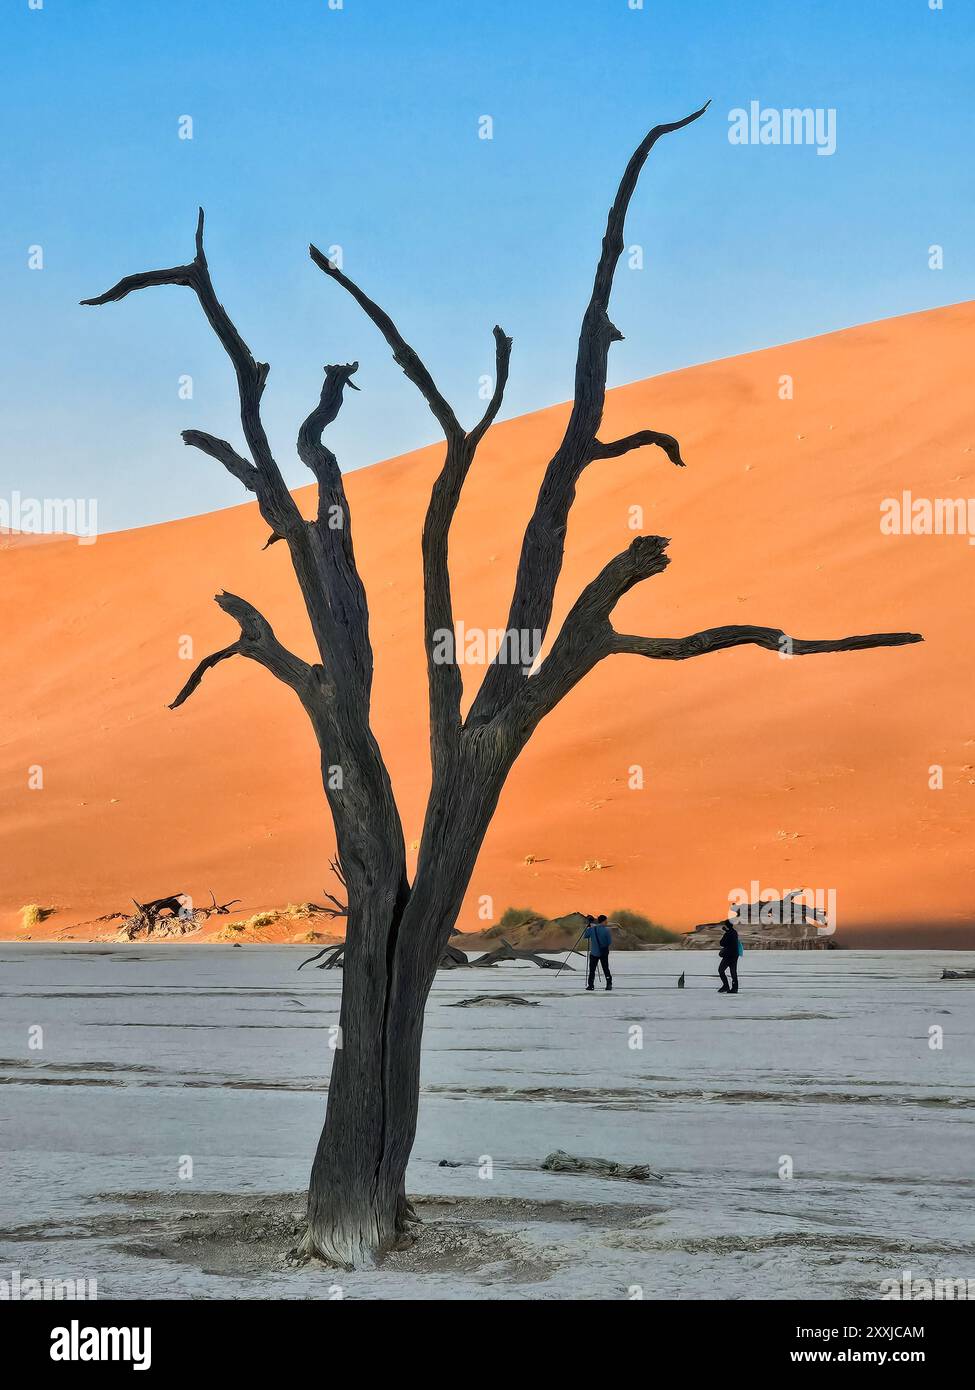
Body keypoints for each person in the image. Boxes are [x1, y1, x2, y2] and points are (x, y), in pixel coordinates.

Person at [583, 914, 613, 992]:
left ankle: (591, 985)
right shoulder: (606, 930)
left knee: (592, 970)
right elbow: (609, 942)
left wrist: (588, 927)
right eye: (606, 921)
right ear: (603, 921)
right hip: (603, 953)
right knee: (606, 969)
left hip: (594, 953)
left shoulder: (592, 929)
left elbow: (585, 936)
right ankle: (609, 984)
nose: (607, 922)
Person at [718, 919, 740, 993]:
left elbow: (722, 943)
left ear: (727, 925)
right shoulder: (734, 932)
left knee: (721, 970)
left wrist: (726, 932)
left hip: (728, 955)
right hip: (735, 955)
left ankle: (726, 986)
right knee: (733, 972)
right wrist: (726, 931)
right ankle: (735, 988)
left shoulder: (728, 934)